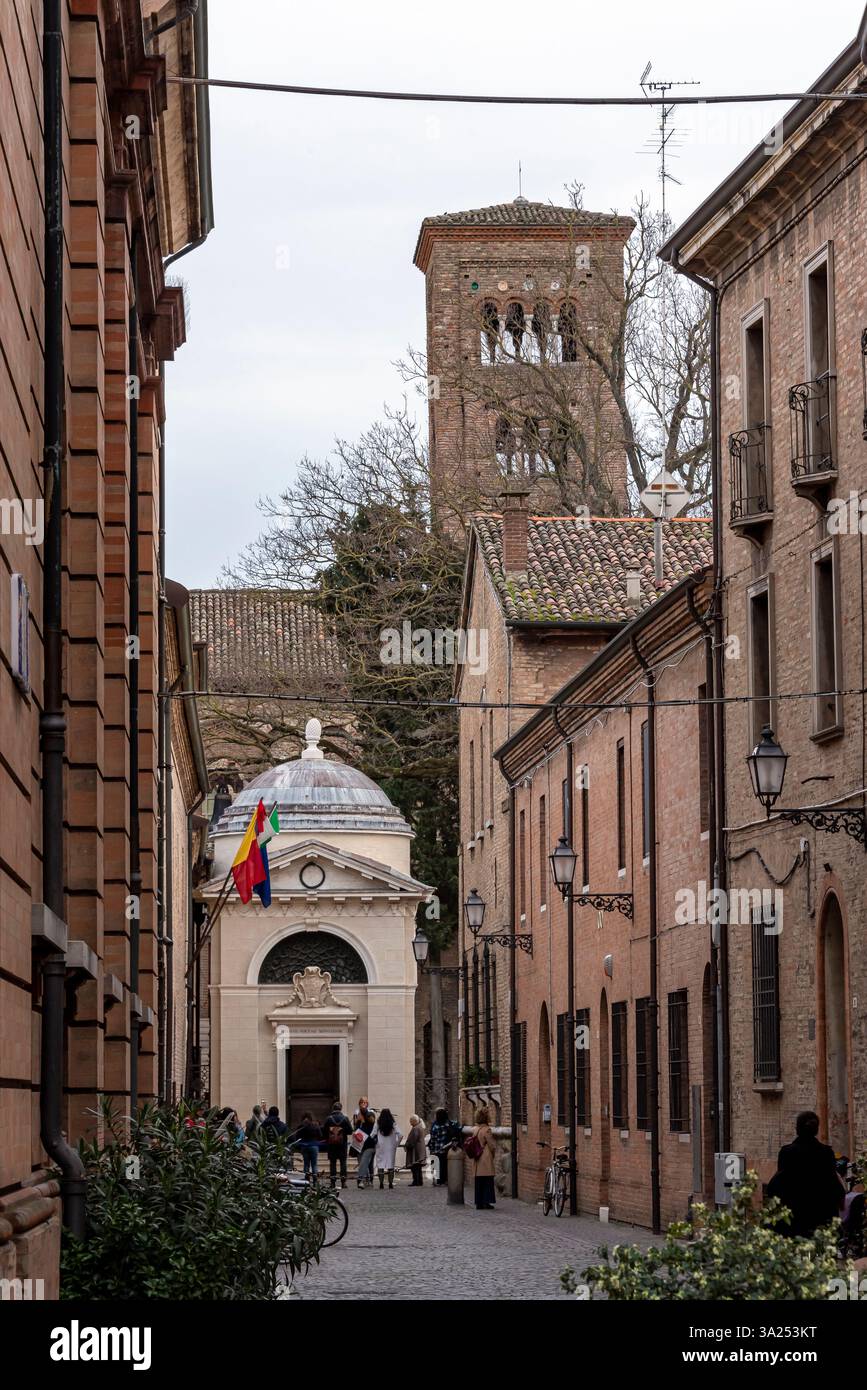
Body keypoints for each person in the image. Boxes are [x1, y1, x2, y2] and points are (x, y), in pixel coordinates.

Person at [767, 1110, 844, 1237]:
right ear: (816, 1130)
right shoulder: (826, 1152)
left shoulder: (787, 1152)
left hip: (795, 1215)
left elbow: (779, 1184)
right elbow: (832, 1182)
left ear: (797, 1129)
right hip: (821, 1213)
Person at [469, 1105, 497, 1210]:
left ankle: (479, 1202)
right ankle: (486, 1201)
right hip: (485, 1157)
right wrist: (493, 1153)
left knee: (479, 1182)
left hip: (477, 1157)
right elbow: (492, 1145)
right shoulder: (487, 1130)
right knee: (487, 1181)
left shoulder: (475, 1129)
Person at [322, 1099, 353, 1188]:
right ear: (341, 1109)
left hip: (331, 1144)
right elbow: (350, 1131)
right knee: (343, 1162)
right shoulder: (345, 1118)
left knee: (333, 1163)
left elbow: (324, 1131)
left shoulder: (328, 1119)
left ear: (333, 1109)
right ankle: (343, 1182)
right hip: (342, 1144)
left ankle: (333, 1182)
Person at [373, 1108, 403, 1189]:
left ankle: (381, 1183)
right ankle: (390, 1183)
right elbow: (400, 1134)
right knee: (391, 1165)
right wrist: (397, 1143)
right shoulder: (393, 1124)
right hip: (391, 1146)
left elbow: (372, 1135)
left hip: (380, 1146)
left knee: (380, 1165)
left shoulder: (378, 1124)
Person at [353, 1104, 377, 1188]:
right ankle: (367, 1180)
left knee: (365, 1163)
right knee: (363, 1163)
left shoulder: (370, 1120)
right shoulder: (359, 1122)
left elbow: (372, 1129)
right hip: (359, 1145)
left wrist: (362, 1120)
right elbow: (355, 1130)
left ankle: (363, 1181)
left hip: (369, 1145)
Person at [428, 1107, 454, 1186]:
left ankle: (436, 1180)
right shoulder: (448, 1124)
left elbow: (433, 1138)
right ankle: (444, 1180)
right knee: (444, 1165)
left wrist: (431, 1147)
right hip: (446, 1148)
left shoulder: (435, 1126)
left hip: (436, 1148)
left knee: (435, 1165)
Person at [294, 1112, 323, 1182]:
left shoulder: (300, 1127)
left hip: (304, 1146)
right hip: (314, 1146)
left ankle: (306, 1179)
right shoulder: (315, 1126)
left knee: (306, 1164)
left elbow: (297, 1137)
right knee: (314, 1164)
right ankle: (315, 1178)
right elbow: (320, 1135)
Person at [403, 1115, 427, 1187]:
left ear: (414, 1121)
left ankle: (416, 1181)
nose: (410, 1123)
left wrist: (407, 1145)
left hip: (415, 1151)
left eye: (411, 1121)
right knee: (418, 1167)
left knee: (415, 1167)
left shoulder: (416, 1128)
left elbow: (412, 1140)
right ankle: (419, 1181)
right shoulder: (420, 1127)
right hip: (420, 1150)